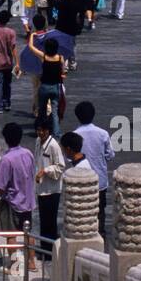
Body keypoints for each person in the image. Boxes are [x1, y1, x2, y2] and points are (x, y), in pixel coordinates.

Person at [0, 122, 38, 273]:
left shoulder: (7, 159)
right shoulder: (28, 153)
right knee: (27, 232)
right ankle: (32, 263)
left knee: (11, 234)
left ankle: (16, 266)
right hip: (27, 200)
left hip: (12, 202)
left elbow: (1, 186)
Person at [73, 101, 113, 233]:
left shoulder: (75, 135)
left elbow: (70, 158)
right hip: (100, 180)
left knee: (82, 213)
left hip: (81, 180)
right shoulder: (103, 133)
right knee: (100, 211)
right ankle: (101, 236)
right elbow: (110, 155)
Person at [34, 116, 65, 261]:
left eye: (42, 131)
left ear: (48, 131)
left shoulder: (53, 145)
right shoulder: (37, 142)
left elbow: (60, 167)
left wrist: (45, 170)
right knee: (43, 220)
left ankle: (50, 251)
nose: (40, 133)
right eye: (38, 130)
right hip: (41, 188)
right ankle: (44, 248)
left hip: (52, 190)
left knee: (50, 221)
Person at [25, 33, 64, 136]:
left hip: (44, 87)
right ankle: (56, 132)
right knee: (55, 112)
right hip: (55, 87)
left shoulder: (44, 57)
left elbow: (31, 47)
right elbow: (63, 72)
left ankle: (41, 129)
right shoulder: (60, 58)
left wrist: (32, 35)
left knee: (42, 110)